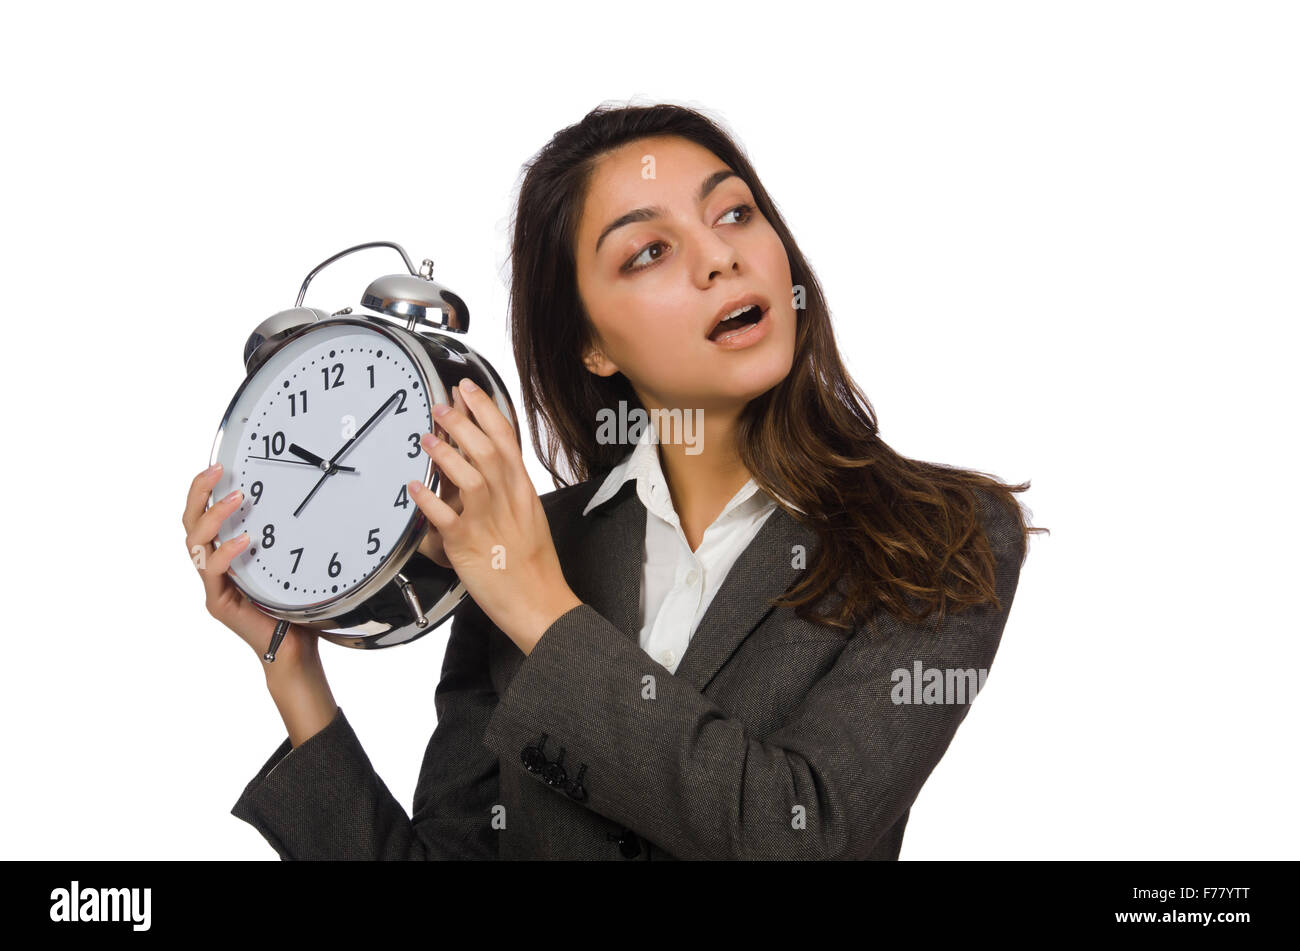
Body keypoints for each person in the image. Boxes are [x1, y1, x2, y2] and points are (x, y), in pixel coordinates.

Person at [182, 101, 1043, 860]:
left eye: (735, 214)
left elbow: (800, 832)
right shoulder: (532, 543)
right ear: (591, 345)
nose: (720, 259)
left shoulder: (944, 533)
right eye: (648, 251)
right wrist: (294, 677)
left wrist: (540, 608)